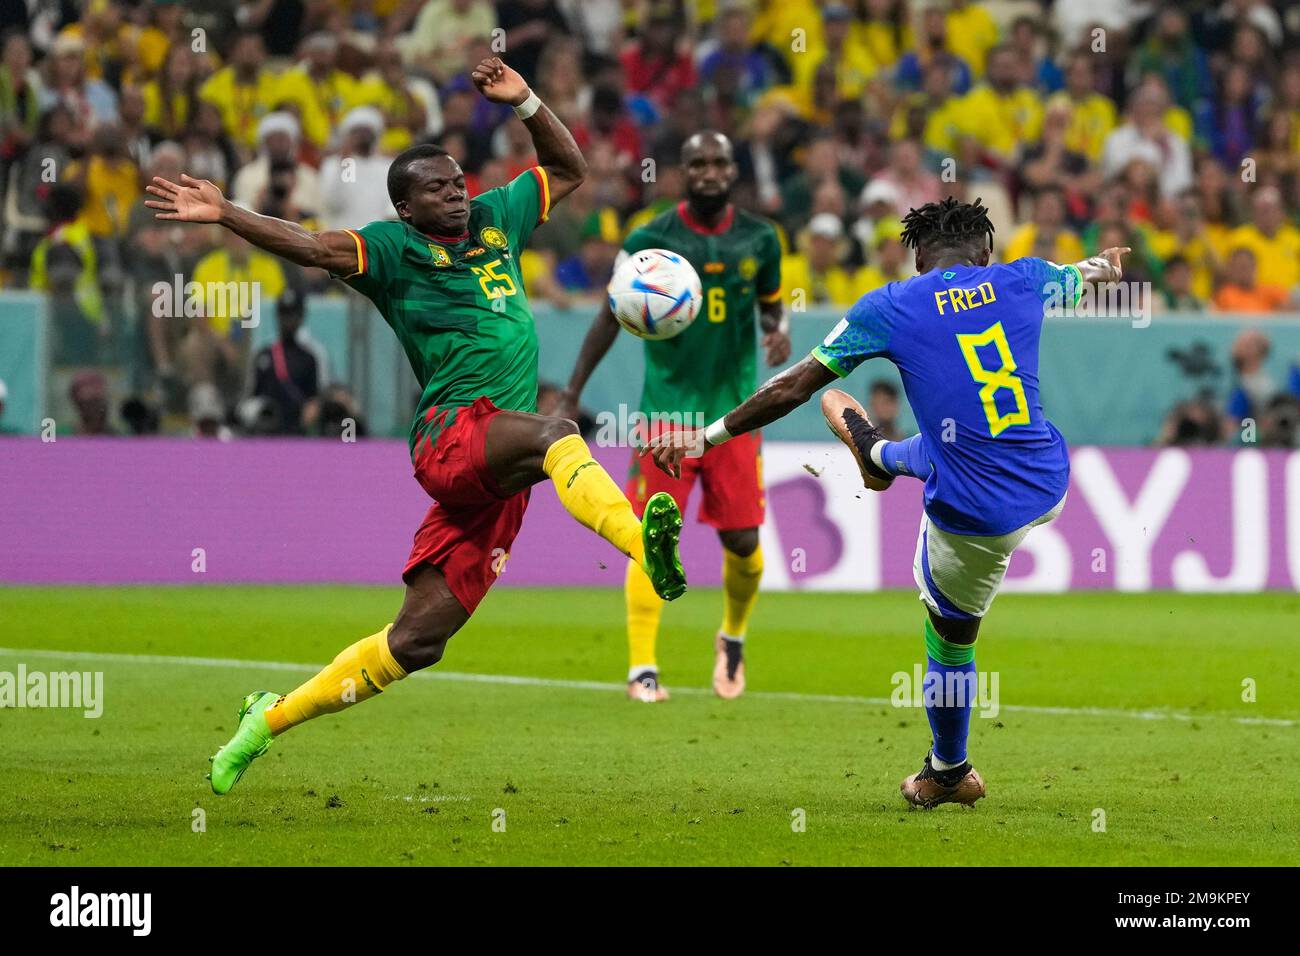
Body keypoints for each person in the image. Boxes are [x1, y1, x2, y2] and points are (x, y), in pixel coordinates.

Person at [146, 57, 687, 795]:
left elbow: (569, 168)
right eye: (437, 188)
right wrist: (227, 214)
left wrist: (525, 99)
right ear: (405, 206)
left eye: (459, 182)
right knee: (559, 431)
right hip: (455, 433)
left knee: (416, 642)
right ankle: (642, 550)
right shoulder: (393, 252)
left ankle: (266, 720)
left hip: (498, 476)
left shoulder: (496, 222)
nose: (457, 195)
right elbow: (310, 246)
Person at [649, 197, 1129, 808]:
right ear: (986, 252)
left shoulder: (891, 305)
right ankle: (885, 456)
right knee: (963, 431)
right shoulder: (1024, 277)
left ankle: (948, 772)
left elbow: (795, 386)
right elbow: (1077, 274)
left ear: (918, 256)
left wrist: (704, 436)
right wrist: (1108, 269)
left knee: (951, 638)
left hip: (978, 511)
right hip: (1047, 476)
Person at [560, 130, 787, 702]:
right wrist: (572, 391)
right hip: (664, 416)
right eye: (698, 163)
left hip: (733, 416)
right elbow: (611, 314)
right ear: (682, 171)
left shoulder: (761, 238)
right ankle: (642, 669)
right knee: (650, 535)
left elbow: (770, 304)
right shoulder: (649, 238)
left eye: (719, 162)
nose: (709, 171)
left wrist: (776, 331)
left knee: (741, 541)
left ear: (733, 170)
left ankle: (732, 637)